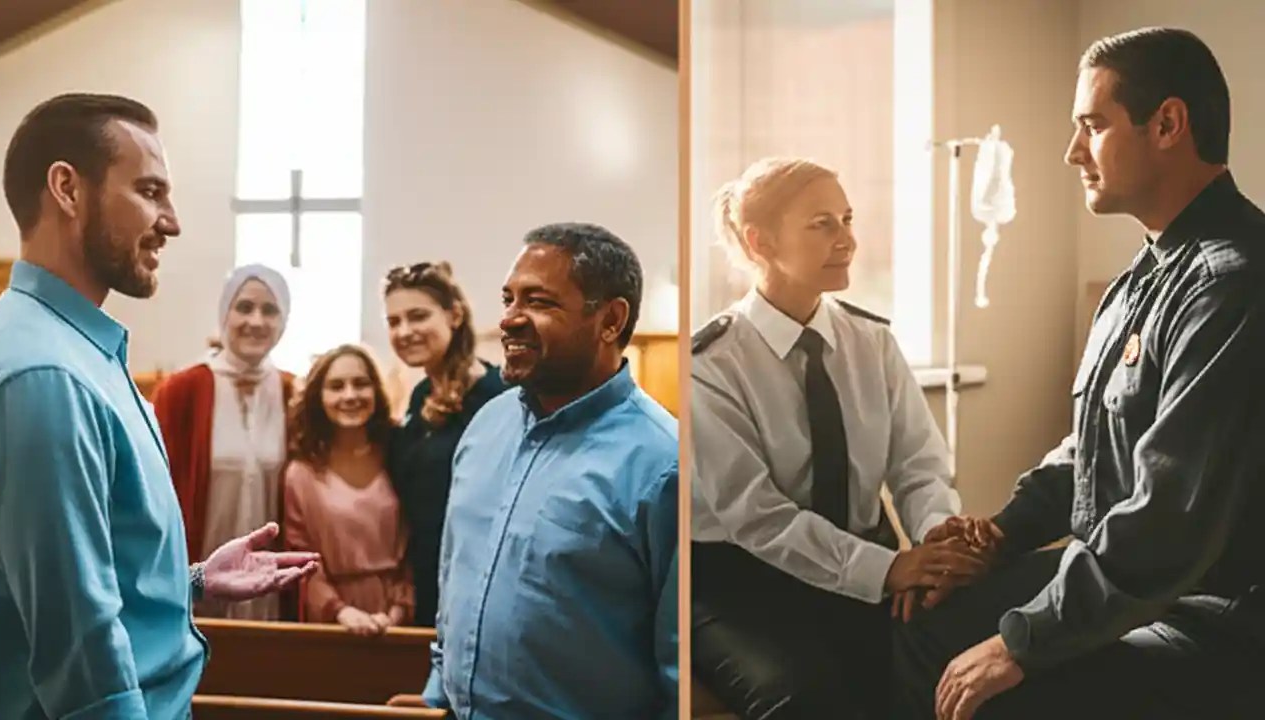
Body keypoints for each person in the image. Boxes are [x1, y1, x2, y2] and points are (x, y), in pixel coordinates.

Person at [892, 28, 1265, 720]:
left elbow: (1167, 520)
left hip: (1211, 619)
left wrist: (1021, 644)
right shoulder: (1135, 285)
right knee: (927, 619)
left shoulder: (1234, 286)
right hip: (1133, 589)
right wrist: (996, 539)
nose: (1071, 152)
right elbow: (1092, 452)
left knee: (997, 689)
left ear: (1168, 124)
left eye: (1091, 126)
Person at [0, 93, 318, 719]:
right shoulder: (44, 374)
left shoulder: (82, 350)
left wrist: (188, 582)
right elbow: (77, 645)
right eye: (150, 191)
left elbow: (82, 569)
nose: (172, 221)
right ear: (67, 188)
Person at [688, 157, 988, 718]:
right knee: (805, 698)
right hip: (746, 585)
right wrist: (888, 570)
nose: (847, 239)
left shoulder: (871, 341)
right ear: (759, 241)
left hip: (866, 557)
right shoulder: (709, 365)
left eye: (847, 220)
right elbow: (757, 517)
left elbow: (918, 467)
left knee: (954, 656)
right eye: (822, 224)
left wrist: (934, 539)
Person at [422, 223, 678, 719]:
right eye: (508, 300)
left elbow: (679, 670)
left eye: (538, 303)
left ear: (610, 320)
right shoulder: (485, 427)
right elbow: (455, 583)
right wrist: (437, 693)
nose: (510, 320)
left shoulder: (663, 461)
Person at [153, 262, 296, 621]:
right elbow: (155, 489)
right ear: (224, 313)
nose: (257, 321)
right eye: (244, 307)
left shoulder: (294, 391)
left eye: (270, 310)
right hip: (196, 576)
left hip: (269, 583)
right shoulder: (183, 390)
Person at [383, 261, 505, 627]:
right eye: (394, 321)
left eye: (418, 316)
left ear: (453, 315)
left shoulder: (498, 396)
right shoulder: (421, 395)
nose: (405, 331)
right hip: (425, 579)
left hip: (481, 584)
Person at [283, 344, 415, 635]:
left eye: (360, 383)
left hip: (399, 617)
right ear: (319, 396)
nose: (350, 395)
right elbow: (302, 558)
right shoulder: (301, 474)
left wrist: (398, 611)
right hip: (332, 620)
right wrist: (340, 612)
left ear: (376, 390)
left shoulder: (399, 455)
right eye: (336, 386)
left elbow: (414, 545)